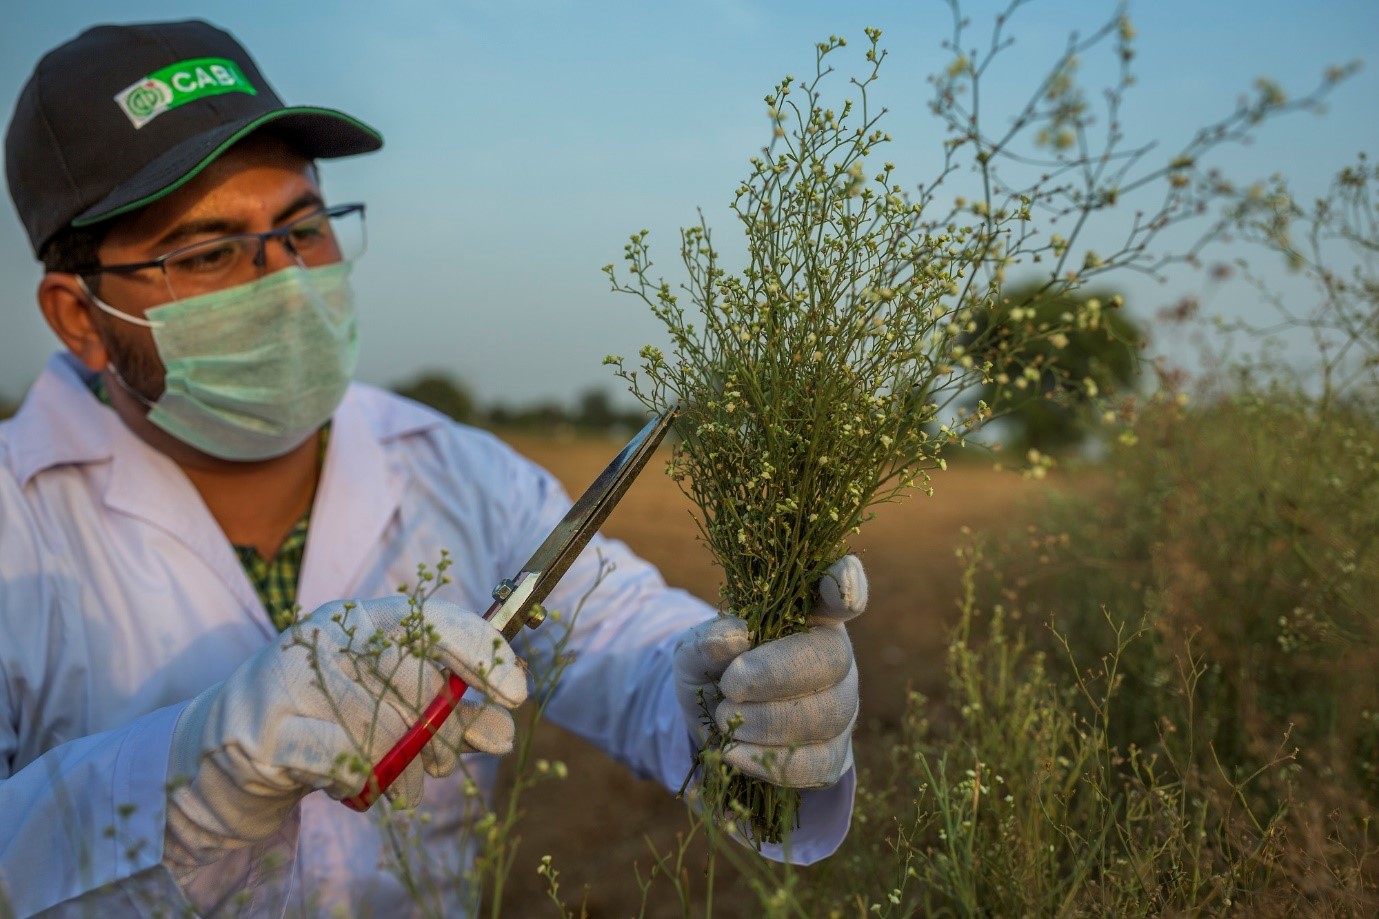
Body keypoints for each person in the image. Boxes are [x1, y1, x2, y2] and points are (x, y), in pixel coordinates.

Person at [0, 20, 865, 917]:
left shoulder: (458, 470)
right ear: (78, 315)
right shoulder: (14, 526)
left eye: (304, 229)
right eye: (209, 252)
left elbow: (631, 643)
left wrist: (733, 702)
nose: (285, 282)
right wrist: (204, 766)